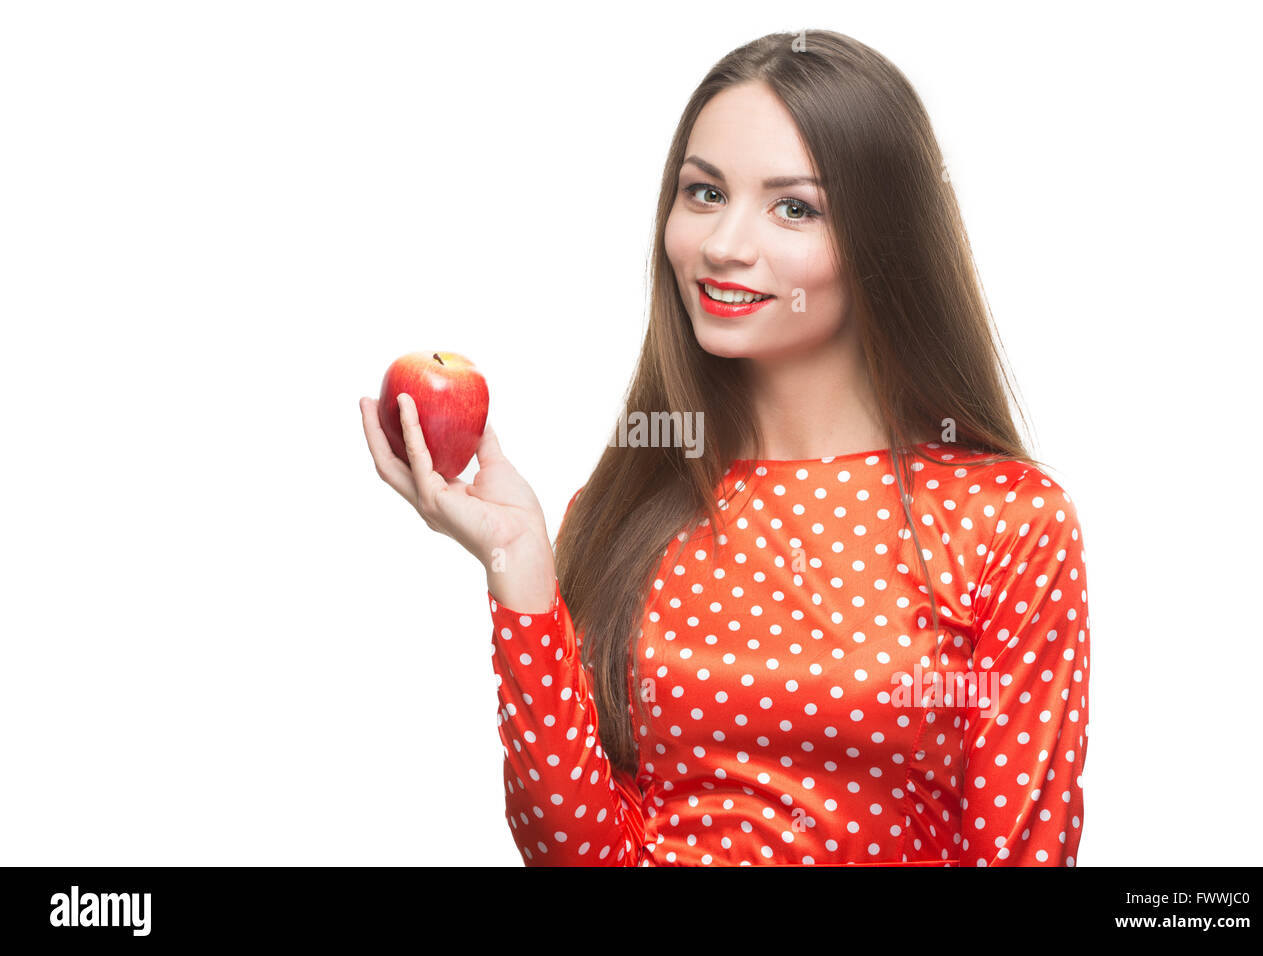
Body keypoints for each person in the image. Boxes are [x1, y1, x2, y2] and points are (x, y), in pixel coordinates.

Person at [360, 29, 1090, 866]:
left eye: (794, 207)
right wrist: (521, 567)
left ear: (882, 241)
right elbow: (582, 857)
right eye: (703, 194)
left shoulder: (1010, 522)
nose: (722, 245)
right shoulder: (624, 506)